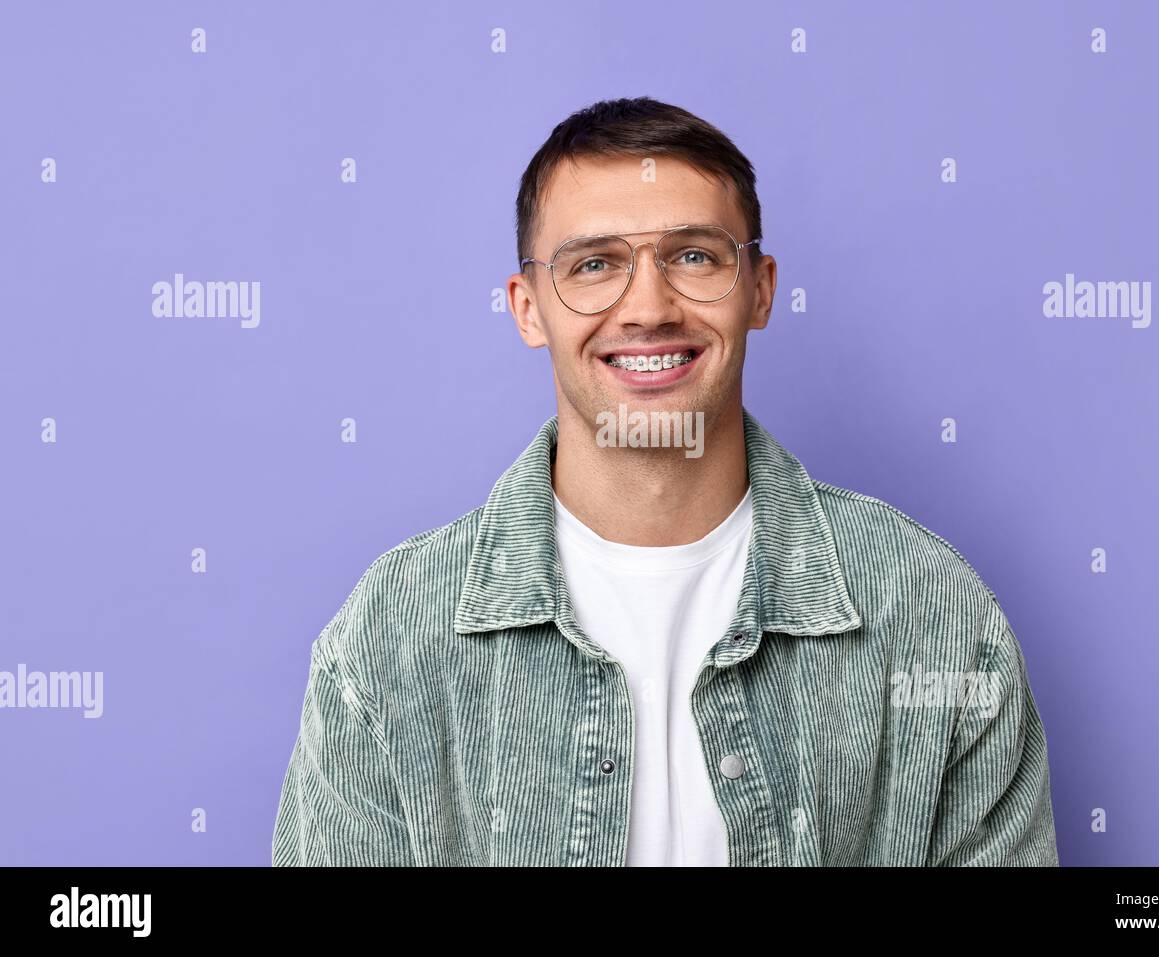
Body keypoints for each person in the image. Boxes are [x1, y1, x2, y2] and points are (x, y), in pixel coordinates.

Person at [271, 96, 1059, 867]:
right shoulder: (390, 638)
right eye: (594, 264)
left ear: (759, 289)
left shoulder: (933, 615)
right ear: (528, 308)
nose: (648, 307)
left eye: (694, 256)